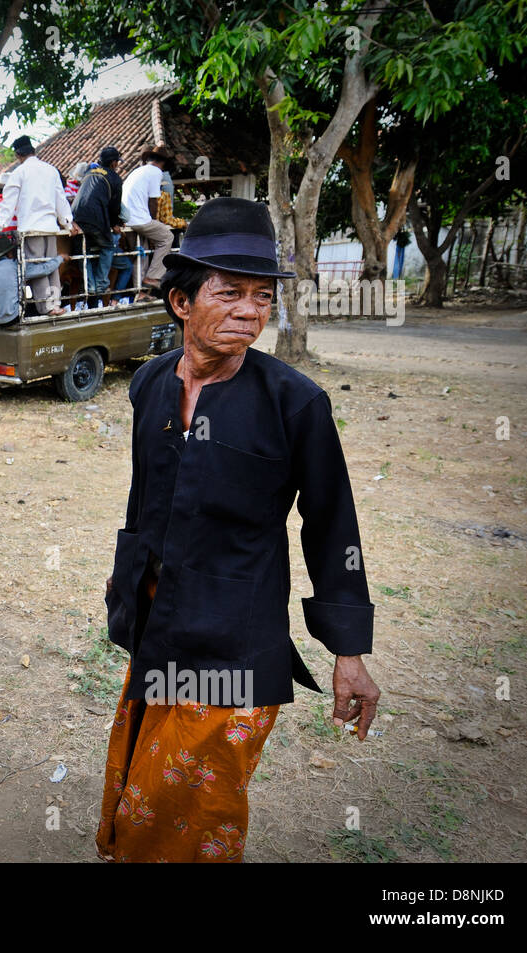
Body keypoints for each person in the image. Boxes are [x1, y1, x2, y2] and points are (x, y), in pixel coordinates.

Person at [96, 197, 380, 863]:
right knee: (144, 788)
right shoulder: (149, 385)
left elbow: (332, 522)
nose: (251, 310)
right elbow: (149, 492)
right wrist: (132, 563)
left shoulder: (296, 404)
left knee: (196, 811)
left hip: (235, 646)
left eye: (262, 296)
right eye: (229, 293)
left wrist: (349, 650)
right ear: (182, 304)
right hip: (158, 624)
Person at [0, 135, 77, 316]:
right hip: (50, 227)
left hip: (31, 229)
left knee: (37, 267)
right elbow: (60, 200)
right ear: (33, 150)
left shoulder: (19, 173)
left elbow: (8, 203)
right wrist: (68, 223)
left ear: (18, 154)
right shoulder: (51, 171)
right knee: (52, 266)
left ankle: (46, 308)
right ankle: (55, 304)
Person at [71, 146, 131, 307]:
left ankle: (90, 287)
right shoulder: (115, 178)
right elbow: (114, 208)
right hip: (96, 219)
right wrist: (115, 224)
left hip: (75, 217)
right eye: (117, 162)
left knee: (84, 252)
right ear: (113, 163)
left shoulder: (88, 173)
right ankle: (101, 284)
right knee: (108, 247)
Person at [121, 144, 177, 299]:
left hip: (127, 220)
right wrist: (154, 222)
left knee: (141, 253)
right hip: (140, 219)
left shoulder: (137, 171)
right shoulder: (156, 172)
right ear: (163, 163)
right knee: (167, 237)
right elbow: (153, 202)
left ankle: (141, 293)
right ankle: (153, 277)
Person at [0, 232, 64, 325]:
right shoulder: (16, 266)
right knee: (35, 308)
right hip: (11, 318)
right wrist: (60, 258)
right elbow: (43, 270)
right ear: (10, 254)